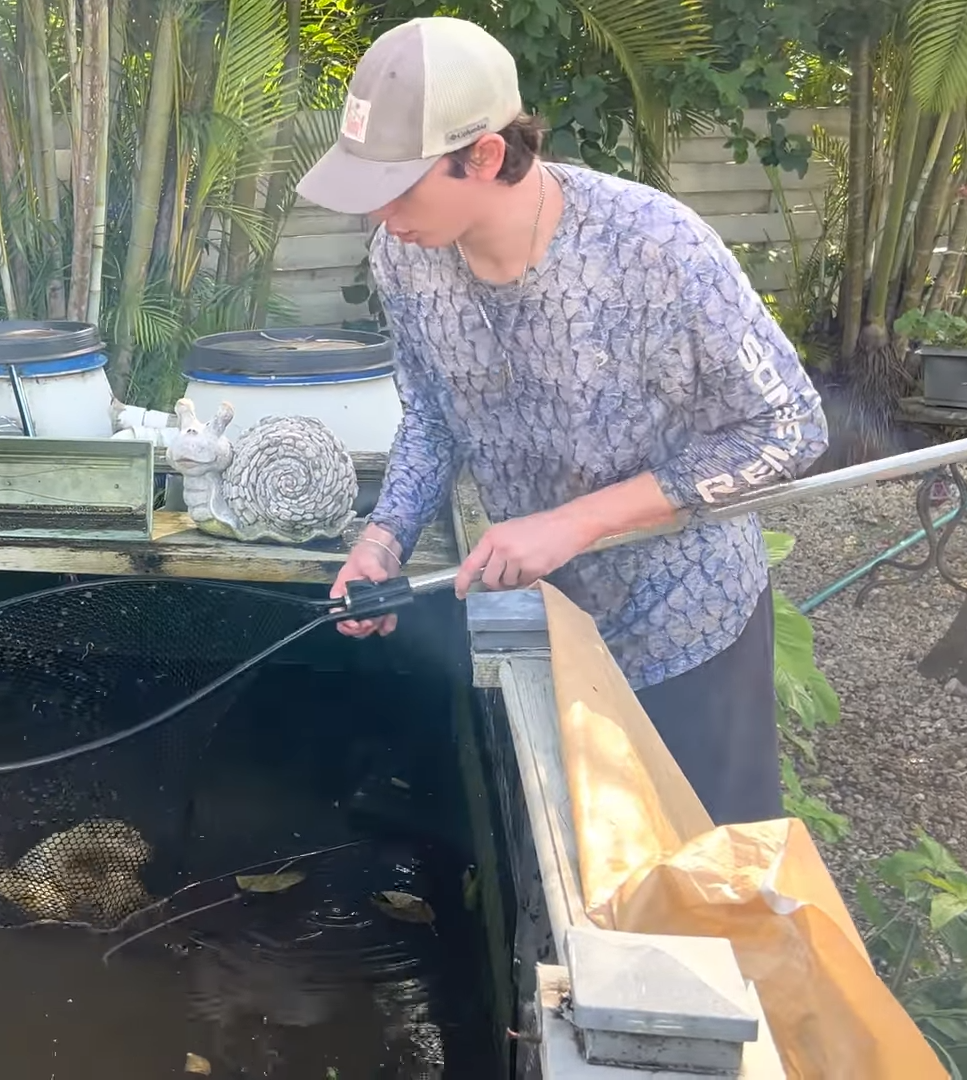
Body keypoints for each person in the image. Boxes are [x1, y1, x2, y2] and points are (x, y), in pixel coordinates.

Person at [296, 16, 829, 825]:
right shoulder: (404, 257)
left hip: (686, 621)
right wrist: (383, 541)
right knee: (577, 863)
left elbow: (789, 428)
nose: (380, 215)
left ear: (484, 156)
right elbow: (433, 414)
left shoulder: (655, 248)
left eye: (398, 188)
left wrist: (575, 523)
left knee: (707, 867)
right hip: (549, 623)